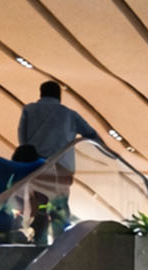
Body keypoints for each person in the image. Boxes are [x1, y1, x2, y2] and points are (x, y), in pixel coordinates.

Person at [17, 81, 101, 238]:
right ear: (59, 95)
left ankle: (38, 241)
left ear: (41, 93)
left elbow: (22, 140)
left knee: (39, 204)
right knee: (60, 205)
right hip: (62, 167)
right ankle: (60, 242)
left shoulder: (28, 110)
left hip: (36, 166)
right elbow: (92, 134)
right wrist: (107, 153)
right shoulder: (69, 114)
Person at [0, 144, 45, 245]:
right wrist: (42, 162)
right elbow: (30, 167)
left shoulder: (8, 172)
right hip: (3, 220)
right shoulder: (2, 166)